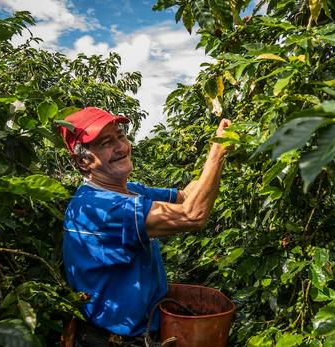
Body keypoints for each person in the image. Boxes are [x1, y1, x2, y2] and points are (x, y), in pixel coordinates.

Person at [58, 107, 230, 346]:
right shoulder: (101, 208)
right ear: (83, 161)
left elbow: (185, 196)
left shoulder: (129, 191)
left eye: (121, 136)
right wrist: (218, 152)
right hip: (113, 340)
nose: (121, 147)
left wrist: (218, 150)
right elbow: (193, 215)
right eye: (106, 142)